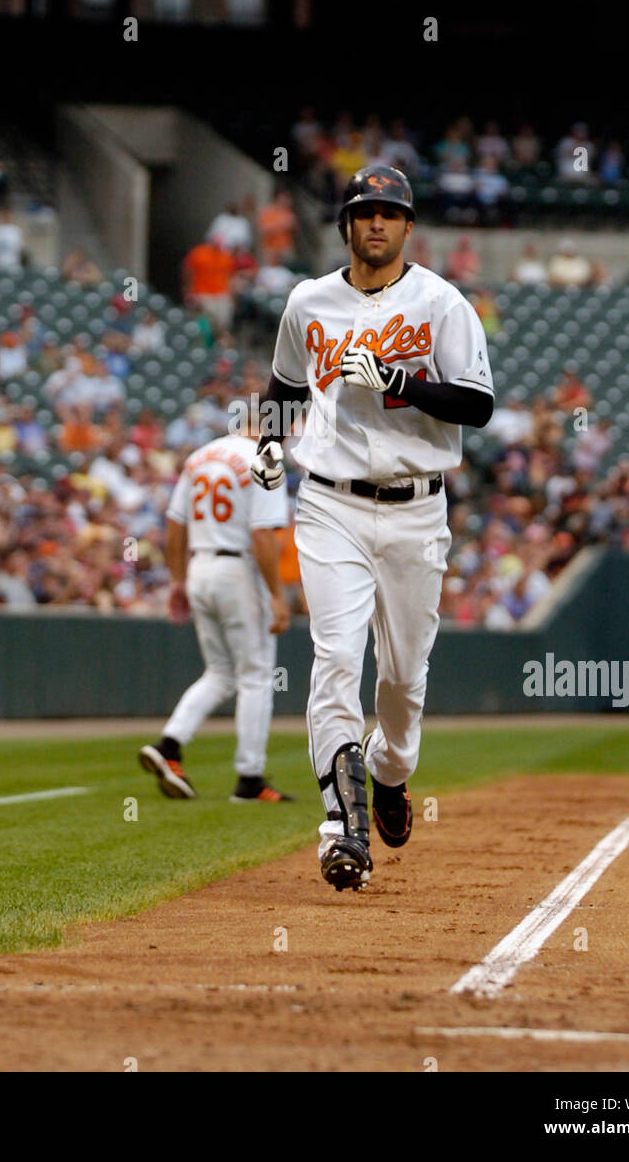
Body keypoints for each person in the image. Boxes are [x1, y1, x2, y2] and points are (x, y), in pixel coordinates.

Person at [250, 165, 494, 890]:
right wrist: (266, 441)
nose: (376, 223)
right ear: (345, 225)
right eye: (364, 212)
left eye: (389, 212)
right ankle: (339, 829)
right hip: (329, 502)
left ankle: (388, 774)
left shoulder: (440, 303)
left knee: (402, 680)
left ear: (408, 227)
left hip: (417, 506)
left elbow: (475, 405)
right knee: (332, 660)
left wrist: (398, 379)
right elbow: (285, 387)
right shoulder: (308, 301)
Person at [139, 429, 292, 803]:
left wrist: (177, 580)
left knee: (220, 673)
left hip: (200, 568)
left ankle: (169, 745)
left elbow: (175, 525)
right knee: (255, 676)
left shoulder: (200, 456)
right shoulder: (265, 458)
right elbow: (262, 536)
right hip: (237, 570)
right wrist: (276, 594)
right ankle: (250, 778)